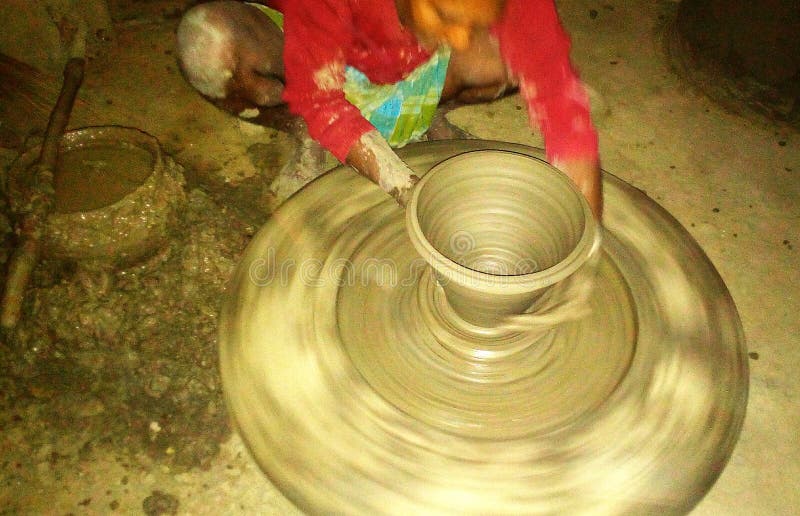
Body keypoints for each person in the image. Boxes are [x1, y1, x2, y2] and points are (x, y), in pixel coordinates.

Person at [176, 0, 602, 217]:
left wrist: (584, 247)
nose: (458, 37)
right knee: (208, 46)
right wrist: (409, 191)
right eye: (445, 16)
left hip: (406, 51)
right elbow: (323, 101)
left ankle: (428, 113)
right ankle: (301, 128)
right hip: (306, 39)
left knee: (512, 58)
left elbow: (561, 100)